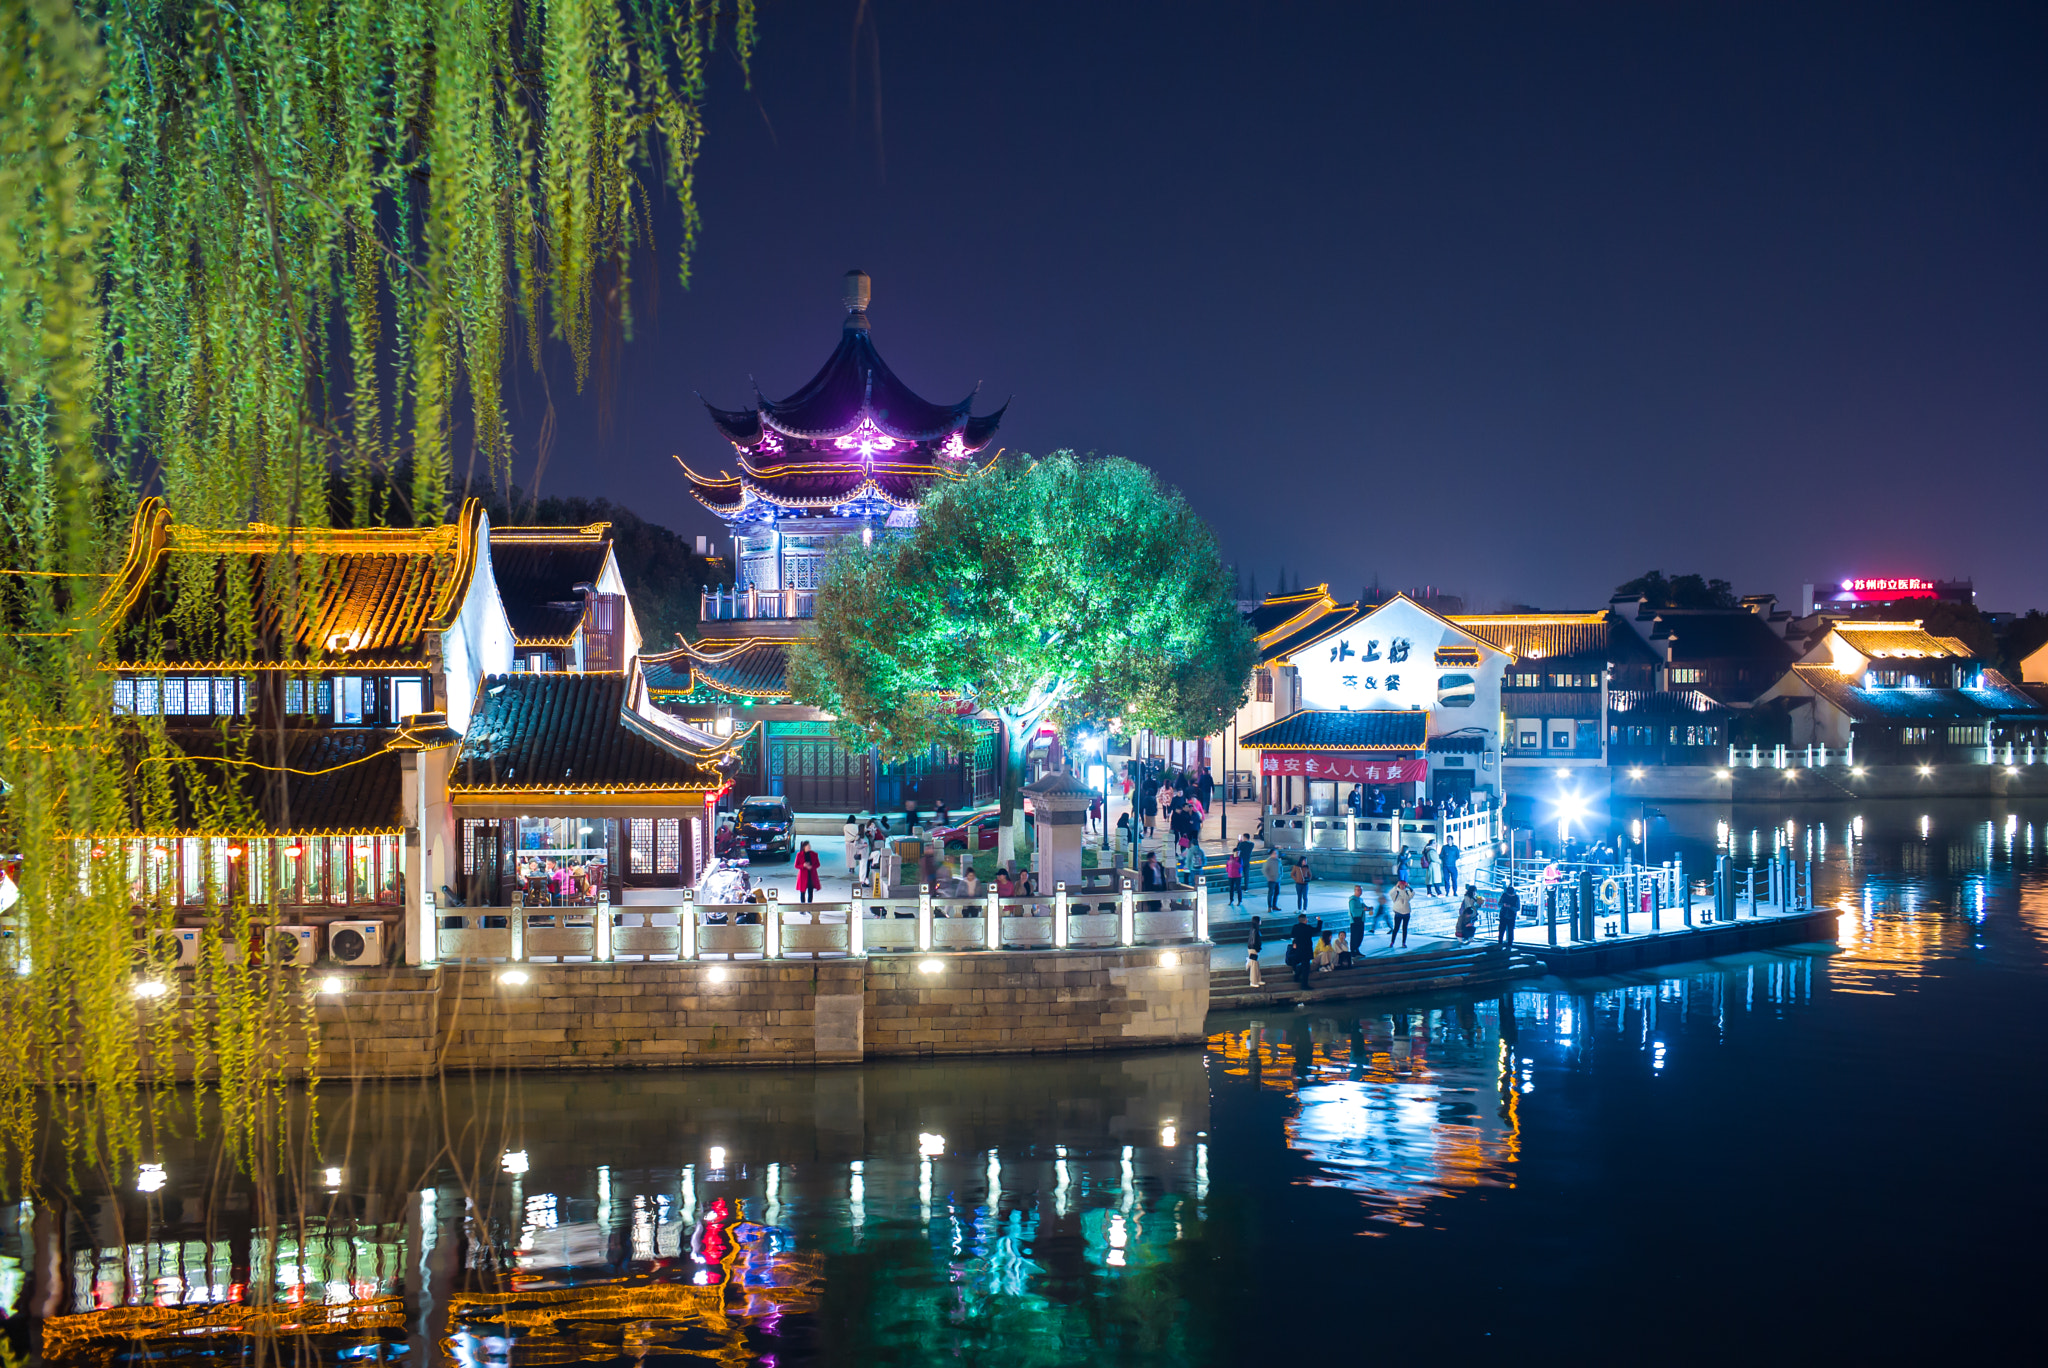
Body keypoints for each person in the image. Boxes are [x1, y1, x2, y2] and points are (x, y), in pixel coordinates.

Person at [1288, 913, 1316, 989]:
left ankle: (1297, 976)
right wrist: (1319, 921)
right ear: (1305, 920)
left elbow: (1292, 935)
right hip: (1306, 949)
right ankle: (1304, 984)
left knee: (1303, 964)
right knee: (1306, 967)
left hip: (1299, 949)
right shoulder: (1308, 928)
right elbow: (1317, 929)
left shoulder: (1295, 927)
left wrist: (1295, 942)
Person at [1388, 876, 1413, 948]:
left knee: (1405, 928)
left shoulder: (1407, 892)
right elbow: (1391, 892)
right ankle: (1392, 942)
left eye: (1403, 885)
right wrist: (1396, 886)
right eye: (1401, 885)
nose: (1402, 886)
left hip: (1406, 913)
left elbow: (1413, 893)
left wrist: (1409, 886)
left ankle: (1404, 943)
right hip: (1398, 913)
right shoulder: (1396, 892)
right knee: (1396, 928)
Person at [1245, 915, 1264, 988]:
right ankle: (1253, 981)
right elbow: (1254, 941)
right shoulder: (1255, 930)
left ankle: (1257, 979)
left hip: (1253, 948)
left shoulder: (1253, 929)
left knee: (1256, 964)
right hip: (1253, 949)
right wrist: (1257, 948)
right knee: (1254, 965)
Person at [1348, 886, 1366, 958]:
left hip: (1361, 919)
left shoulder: (1360, 899)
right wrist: (1363, 909)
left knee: (1360, 936)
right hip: (1355, 920)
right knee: (1354, 936)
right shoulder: (1352, 900)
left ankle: (1357, 950)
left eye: (1361, 890)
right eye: (1358, 890)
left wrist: (1369, 908)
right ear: (1355, 890)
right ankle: (1353, 951)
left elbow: (1364, 906)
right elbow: (1353, 910)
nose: (1360, 891)